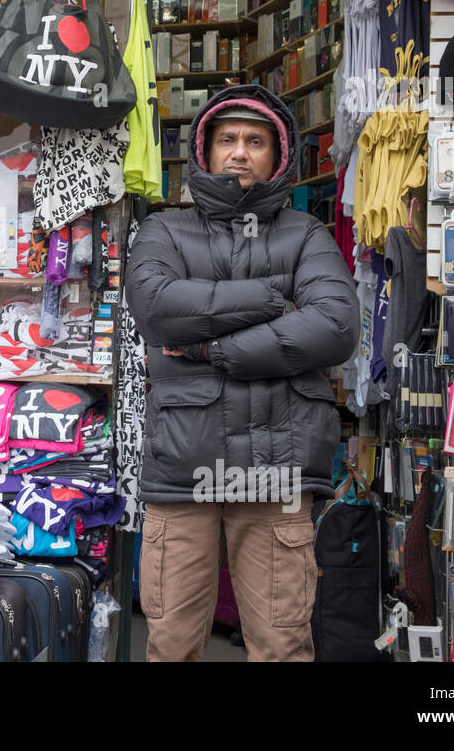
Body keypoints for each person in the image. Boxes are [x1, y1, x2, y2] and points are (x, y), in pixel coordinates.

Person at [127, 84, 358, 662]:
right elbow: (157, 308)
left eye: (255, 141)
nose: (239, 152)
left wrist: (213, 352)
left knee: (281, 646)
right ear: (204, 151)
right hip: (184, 470)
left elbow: (334, 327)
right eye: (226, 139)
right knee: (172, 645)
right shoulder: (163, 230)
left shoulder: (306, 233)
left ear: (277, 155)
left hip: (276, 474)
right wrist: (273, 297)